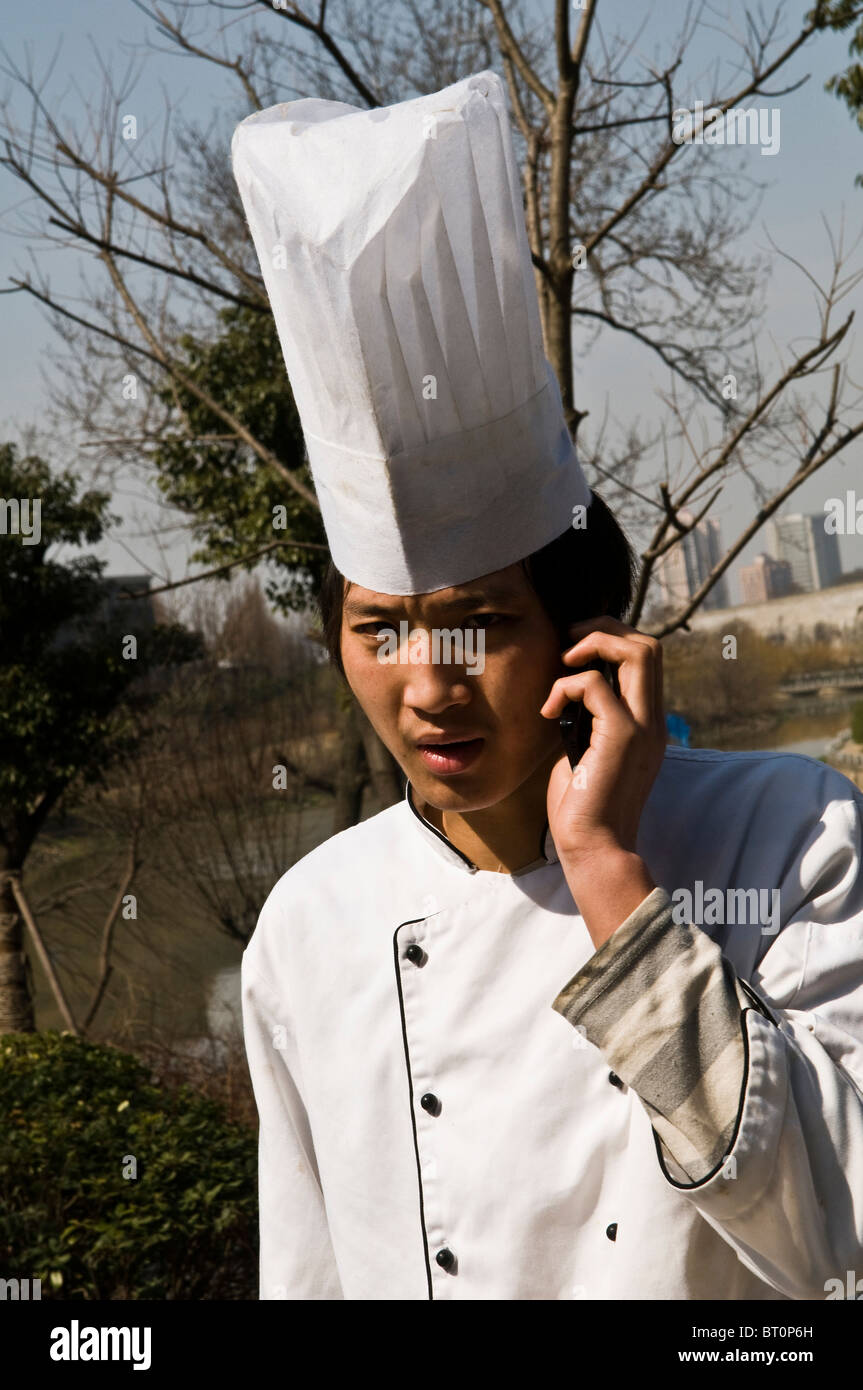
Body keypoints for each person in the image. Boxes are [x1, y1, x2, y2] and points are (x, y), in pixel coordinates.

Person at [232, 72, 863, 1301]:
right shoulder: (307, 929)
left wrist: (615, 890)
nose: (426, 688)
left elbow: (829, 1240)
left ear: (586, 635)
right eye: (380, 631)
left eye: (473, 626)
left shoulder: (788, 834)